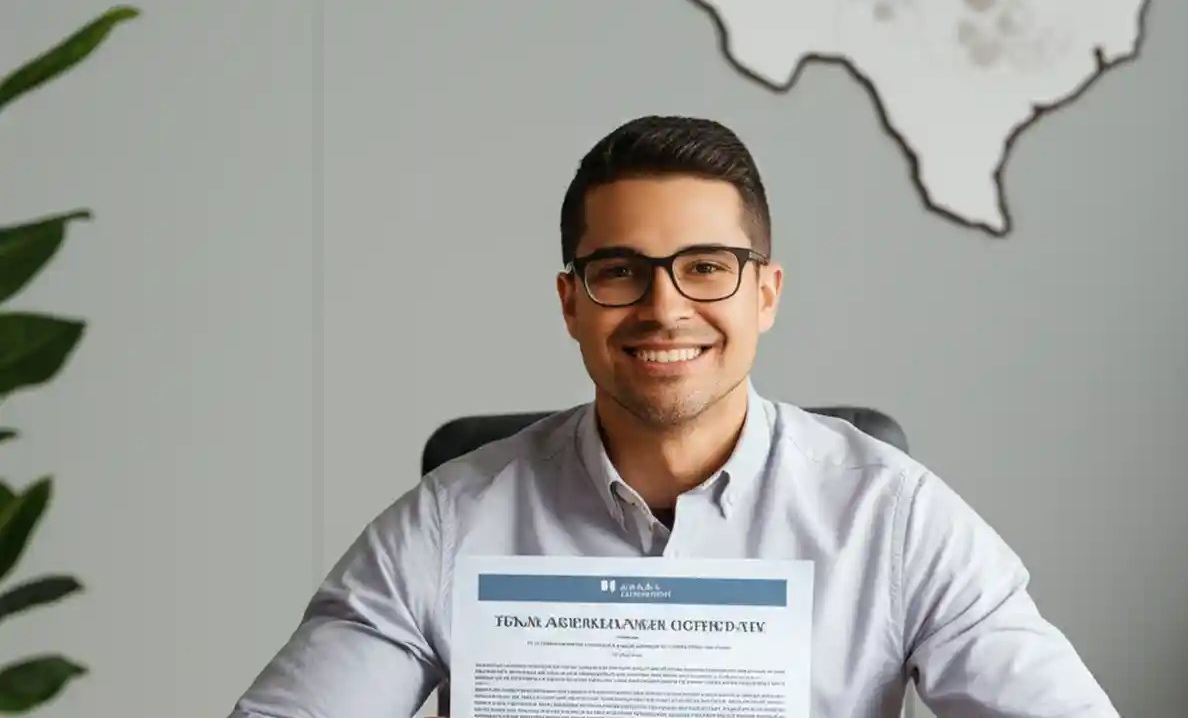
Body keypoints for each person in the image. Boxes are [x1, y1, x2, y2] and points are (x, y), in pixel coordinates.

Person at [229, 115, 1118, 717]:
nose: (664, 308)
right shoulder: (447, 523)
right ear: (572, 302)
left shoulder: (894, 519)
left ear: (765, 294)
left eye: (705, 266)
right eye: (620, 270)